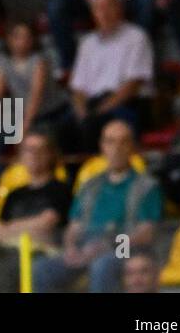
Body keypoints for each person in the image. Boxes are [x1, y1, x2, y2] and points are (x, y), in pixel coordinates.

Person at [34, 120, 161, 293]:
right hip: (86, 247)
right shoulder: (89, 186)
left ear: (132, 147)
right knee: (41, 269)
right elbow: (74, 227)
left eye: (123, 142)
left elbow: (146, 233)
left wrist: (108, 244)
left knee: (103, 264)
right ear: (102, 146)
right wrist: (70, 247)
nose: (116, 148)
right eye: (110, 141)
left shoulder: (147, 186)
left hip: (125, 249)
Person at [0, 131, 72, 292]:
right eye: (28, 150)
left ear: (50, 154)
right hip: (6, 250)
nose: (33, 155)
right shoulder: (13, 194)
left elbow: (46, 225)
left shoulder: (60, 189)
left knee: (6, 266)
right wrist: (28, 227)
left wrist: (10, 228)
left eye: (39, 149)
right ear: (21, 155)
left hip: (41, 252)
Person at [68, 0, 154, 147]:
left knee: (97, 125)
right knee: (64, 127)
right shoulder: (87, 42)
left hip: (127, 103)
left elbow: (133, 85)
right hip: (94, 104)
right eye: (99, 8)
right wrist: (82, 112)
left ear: (120, 8)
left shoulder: (136, 36)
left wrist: (99, 112)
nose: (105, 13)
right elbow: (78, 88)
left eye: (109, 6)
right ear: (93, 13)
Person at [0, 20, 72, 149]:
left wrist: (23, 127)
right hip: (24, 116)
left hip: (53, 114)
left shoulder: (39, 61)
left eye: (27, 37)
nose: (23, 41)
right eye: (18, 37)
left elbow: (35, 96)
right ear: (9, 39)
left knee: (37, 141)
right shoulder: (3, 62)